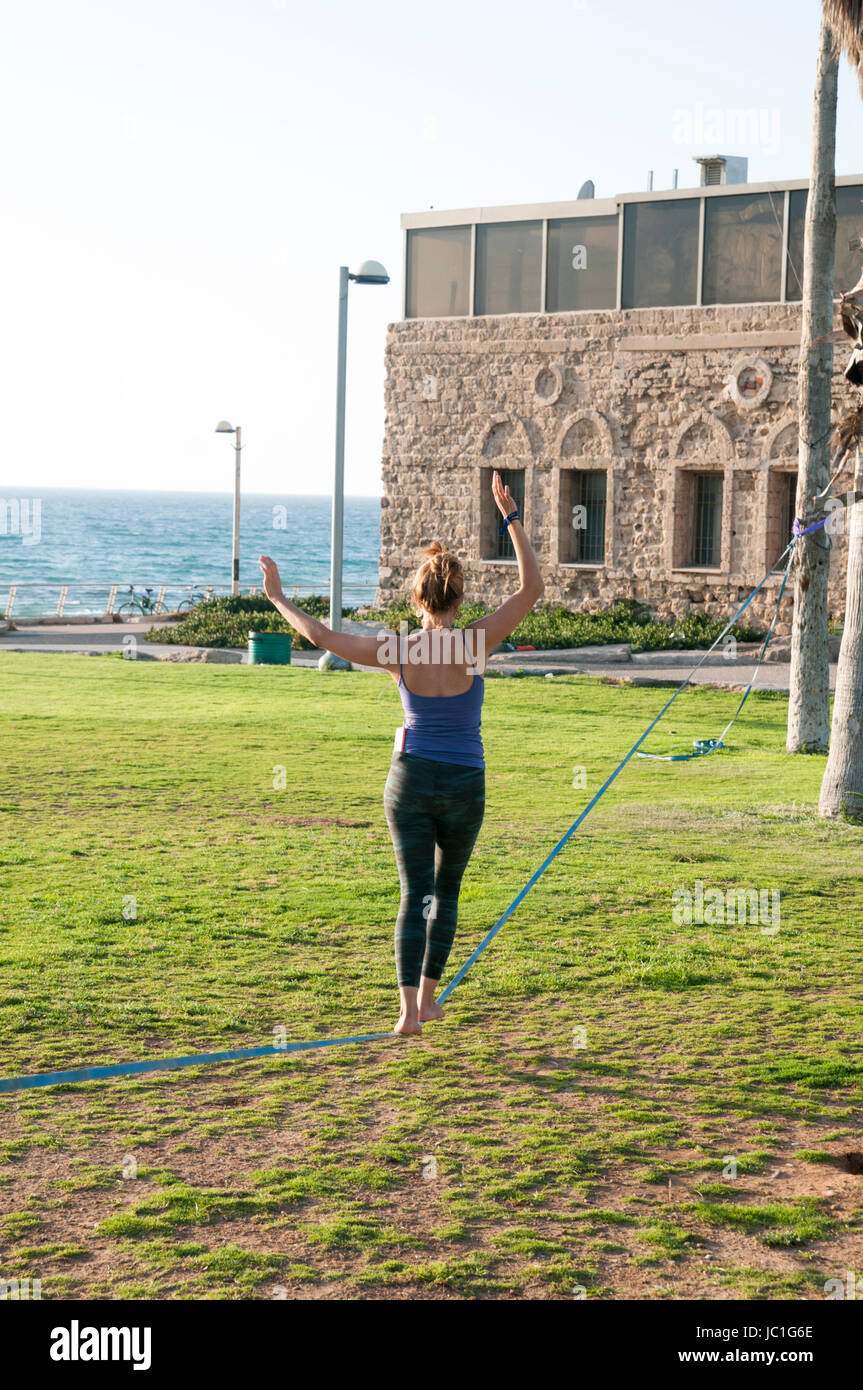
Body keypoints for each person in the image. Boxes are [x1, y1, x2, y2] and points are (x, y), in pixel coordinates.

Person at [258, 470, 544, 1036]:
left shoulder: (398, 648)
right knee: (447, 890)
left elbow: (320, 637)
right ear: (460, 597)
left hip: (408, 781)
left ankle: (409, 1012)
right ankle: (431, 999)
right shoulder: (473, 643)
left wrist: (278, 598)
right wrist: (509, 517)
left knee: (414, 893)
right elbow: (531, 590)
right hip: (464, 782)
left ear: (417, 598)